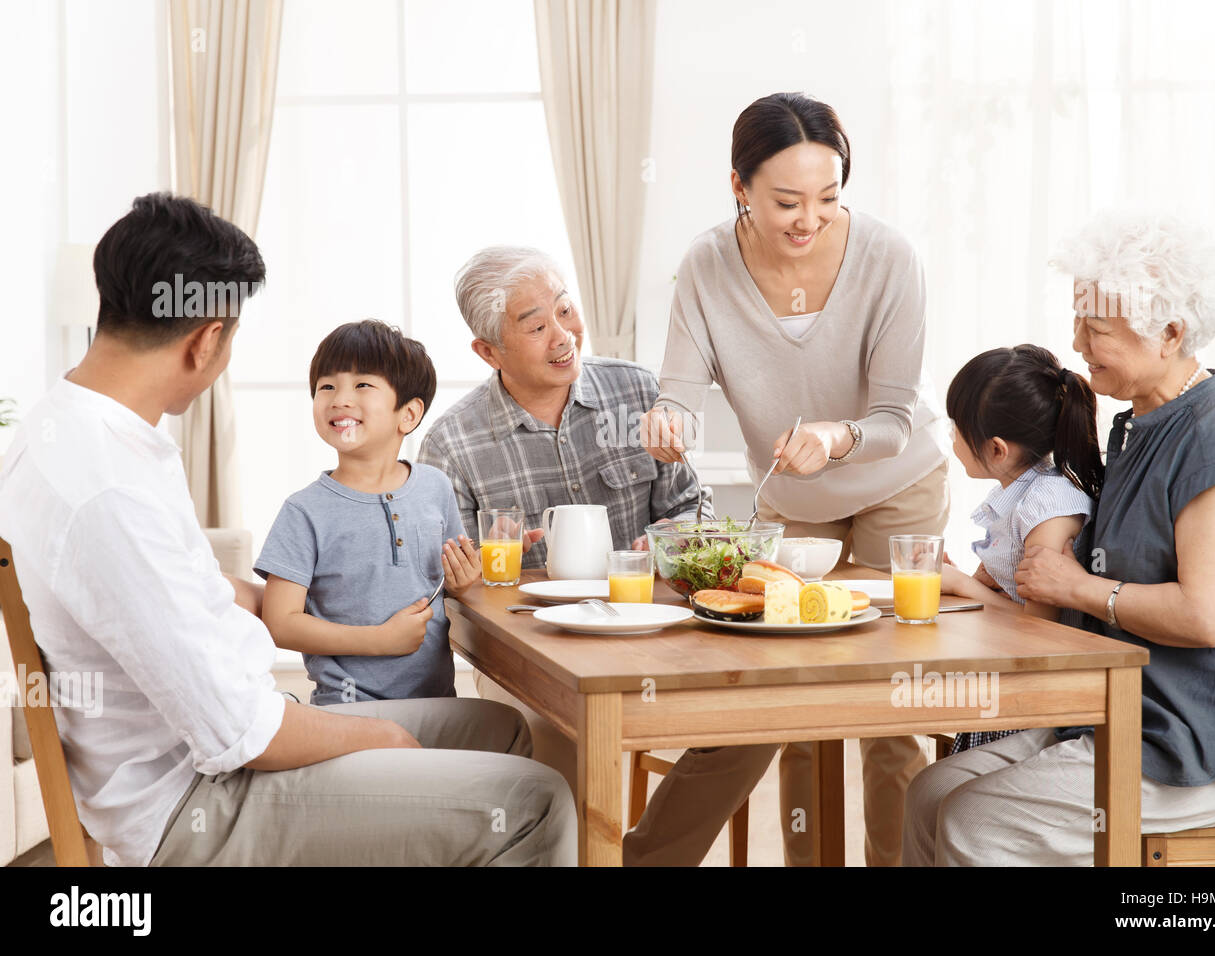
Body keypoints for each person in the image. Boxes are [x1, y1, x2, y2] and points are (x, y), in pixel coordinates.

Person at [0, 194, 575, 866]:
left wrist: (242, 592)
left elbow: (157, 593)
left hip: (212, 751)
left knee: (498, 731)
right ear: (206, 339)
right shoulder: (109, 488)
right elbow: (240, 731)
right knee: (536, 802)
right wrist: (378, 740)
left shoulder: (72, 432)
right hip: (199, 801)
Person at [903, 211, 1215, 865]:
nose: (1077, 342)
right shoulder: (1136, 426)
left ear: (1170, 333)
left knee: (977, 824)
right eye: (1077, 321)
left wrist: (1079, 587)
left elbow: (1208, 615)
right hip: (1121, 712)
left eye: (1098, 329)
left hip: (1206, 743)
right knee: (930, 793)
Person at [640, 92, 951, 867]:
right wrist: (666, 421)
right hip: (793, 501)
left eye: (828, 197)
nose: (808, 219)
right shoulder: (707, 266)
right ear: (740, 187)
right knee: (790, 697)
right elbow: (678, 386)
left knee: (890, 705)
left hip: (896, 488)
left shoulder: (888, 258)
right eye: (786, 201)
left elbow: (894, 416)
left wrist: (836, 435)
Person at [419, 245, 773, 866]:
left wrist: (667, 546)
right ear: (488, 351)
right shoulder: (455, 443)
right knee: (558, 755)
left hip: (654, 631)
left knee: (755, 721)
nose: (563, 336)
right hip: (534, 656)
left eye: (565, 310)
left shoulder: (637, 392)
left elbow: (693, 507)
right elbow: (450, 581)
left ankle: (642, 861)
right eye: (535, 326)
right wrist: (474, 575)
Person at [255, 320, 482, 705]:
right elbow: (280, 623)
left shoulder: (434, 487)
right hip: (349, 706)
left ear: (408, 415)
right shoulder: (304, 510)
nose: (339, 398)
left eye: (362, 385)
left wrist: (465, 583)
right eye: (326, 386)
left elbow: (451, 589)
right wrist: (379, 641)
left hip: (436, 702)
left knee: (506, 735)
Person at [938, 344, 1101, 752]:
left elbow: (1042, 630)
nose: (952, 438)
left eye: (956, 427)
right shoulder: (1026, 493)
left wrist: (963, 586)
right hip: (1009, 671)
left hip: (1032, 700)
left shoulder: (1048, 507)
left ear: (996, 449)